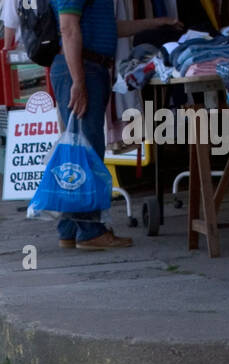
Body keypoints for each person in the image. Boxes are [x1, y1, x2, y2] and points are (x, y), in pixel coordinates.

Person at [44, 0, 182, 249]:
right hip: (81, 68)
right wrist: (79, 81)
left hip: (88, 67)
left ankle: (70, 227)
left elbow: (110, 27)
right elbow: (68, 28)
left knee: (77, 149)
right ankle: (90, 231)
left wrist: (158, 22)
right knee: (87, 150)